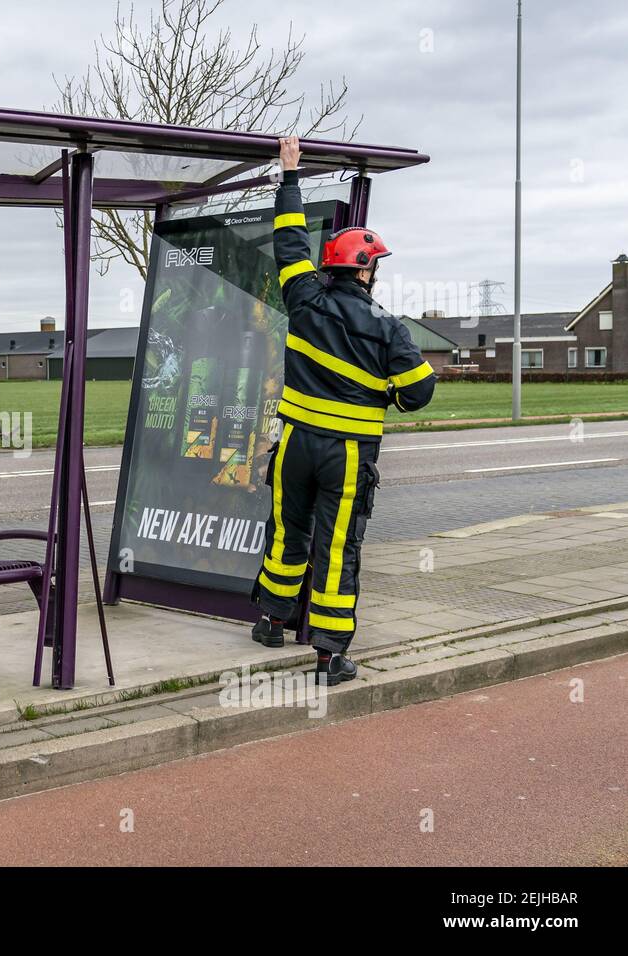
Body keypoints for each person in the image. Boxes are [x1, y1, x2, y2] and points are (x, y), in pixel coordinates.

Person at [250, 136, 436, 685]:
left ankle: (270, 619)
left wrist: (290, 176)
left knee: (287, 532)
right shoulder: (388, 327)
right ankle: (330, 654)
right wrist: (390, 393)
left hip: (294, 445)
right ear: (366, 270)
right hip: (347, 456)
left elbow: (287, 241)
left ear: (328, 265)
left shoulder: (303, 297)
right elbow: (419, 391)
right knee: (336, 548)